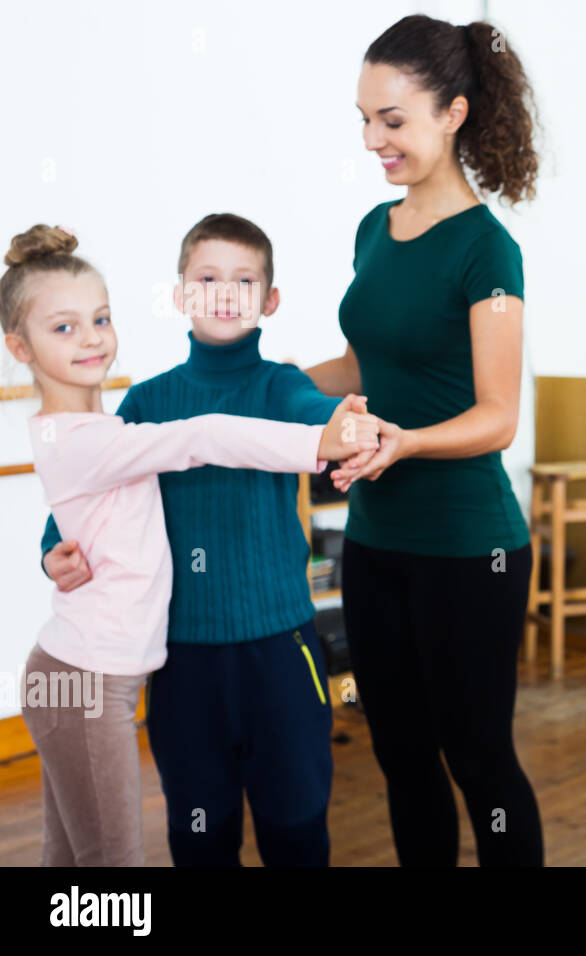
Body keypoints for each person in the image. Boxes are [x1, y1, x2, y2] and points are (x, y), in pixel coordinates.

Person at [5, 224, 376, 865]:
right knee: (199, 835)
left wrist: (335, 425)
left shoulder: (277, 386)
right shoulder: (147, 403)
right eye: (206, 280)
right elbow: (89, 492)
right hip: (182, 662)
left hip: (279, 652)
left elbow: (308, 409)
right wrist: (50, 548)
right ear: (179, 295)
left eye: (243, 281)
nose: (224, 295)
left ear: (270, 300)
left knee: (295, 826)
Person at [303, 14, 543, 866]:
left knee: (478, 759)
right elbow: (361, 362)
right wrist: (273, 384)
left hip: (467, 547)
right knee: (400, 756)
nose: (374, 139)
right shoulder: (375, 229)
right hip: (376, 545)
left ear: (454, 113)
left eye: (393, 120)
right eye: (364, 120)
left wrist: (400, 443)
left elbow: (497, 416)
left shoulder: (489, 252)